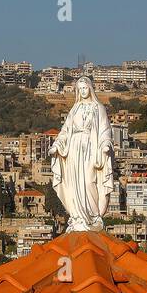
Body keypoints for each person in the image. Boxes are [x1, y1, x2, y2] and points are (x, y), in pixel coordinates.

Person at [49, 75, 113, 232]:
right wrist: (57, 145)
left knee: (88, 181)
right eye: (80, 89)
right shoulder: (75, 109)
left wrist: (105, 145)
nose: (83, 91)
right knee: (75, 182)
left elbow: (105, 130)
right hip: (74, 149)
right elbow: (65, 131)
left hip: (91, 148)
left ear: (90, 88)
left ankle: (92, 216)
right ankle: (78, 216)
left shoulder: (98, 108)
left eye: (85, 88)